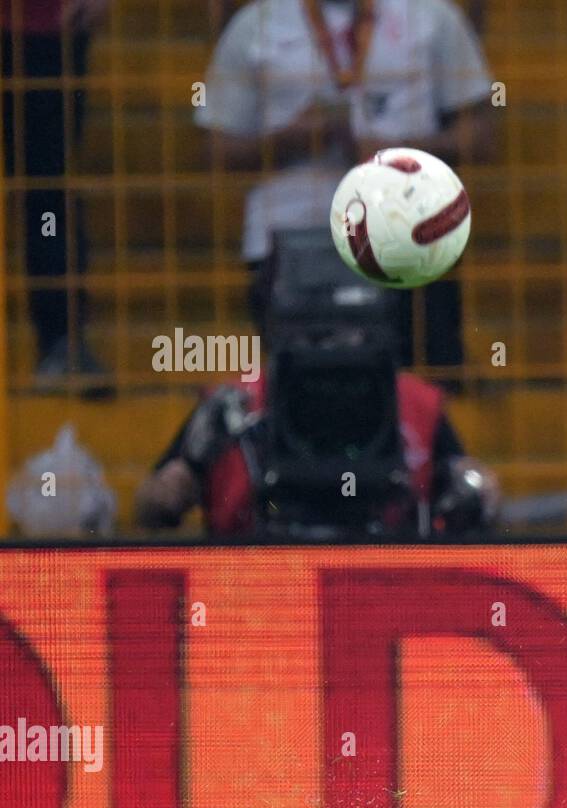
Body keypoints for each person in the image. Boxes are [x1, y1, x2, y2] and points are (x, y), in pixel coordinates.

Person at [195, 0, 495, 370]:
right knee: (307, 388)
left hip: (411, 237)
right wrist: (288, 141)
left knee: (423, 382)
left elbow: (481, 136)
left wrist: (395, 153)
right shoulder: (255, 24)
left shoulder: (432, 16)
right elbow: (214, 149)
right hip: (290, 244)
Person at [134, 329, 499, 537]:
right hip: (252, 595)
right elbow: (151, 509)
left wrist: (474, 490)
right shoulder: (232, 404)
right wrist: (193, 460)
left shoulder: (414, 401)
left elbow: (483, 495)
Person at [1, 0, 111, 382]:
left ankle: (61, 338)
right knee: (46, 195)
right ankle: (61, 340)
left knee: (47, 195)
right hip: (44, 30)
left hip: (46, 30)